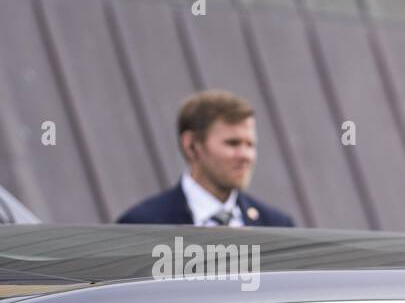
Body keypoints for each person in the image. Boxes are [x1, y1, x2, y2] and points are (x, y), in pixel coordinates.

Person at [116, 90, 295, 227]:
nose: (245, 156)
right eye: (232, 143)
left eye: (250, 145)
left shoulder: (278, 226)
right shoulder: (141, 226)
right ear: (192, 146)